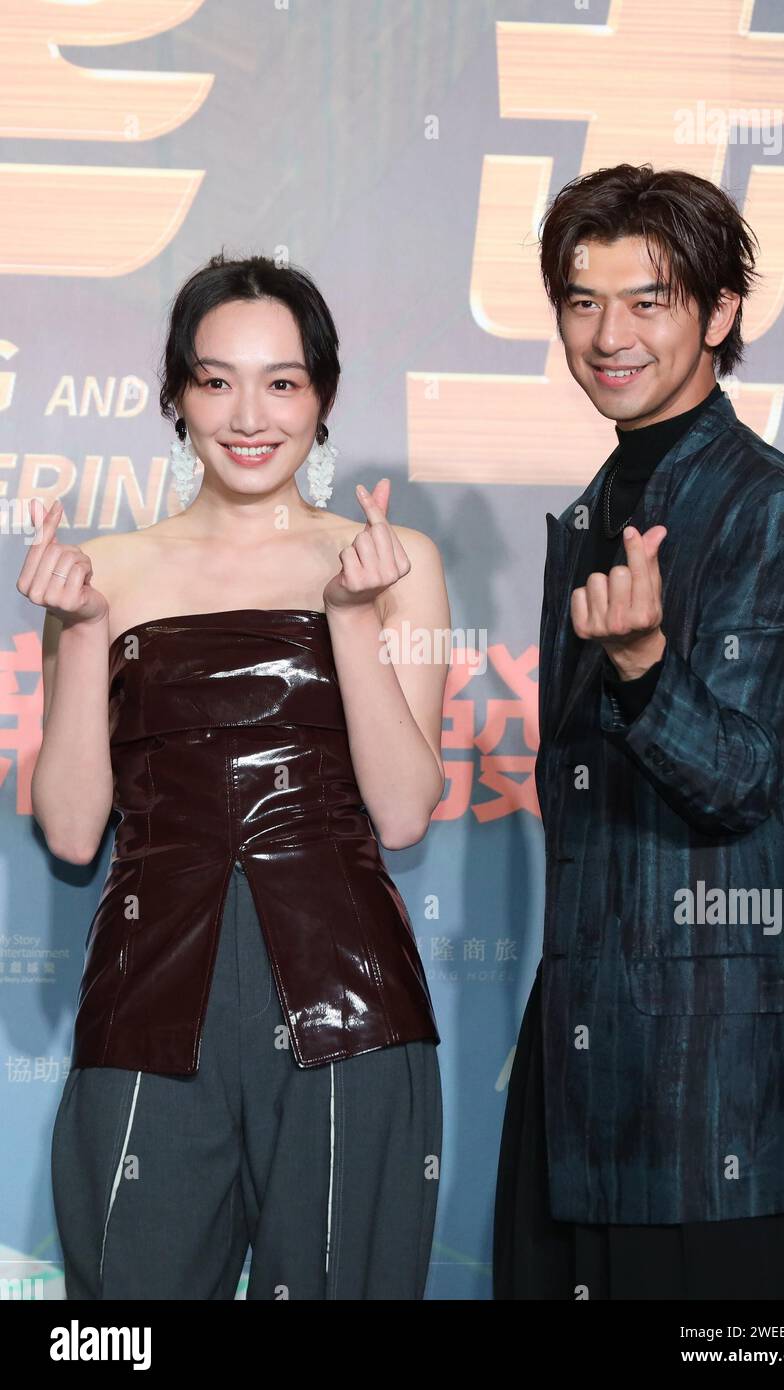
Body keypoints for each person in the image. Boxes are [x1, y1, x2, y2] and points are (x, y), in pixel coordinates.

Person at [23, 252, 449, 1300]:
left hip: (349, 1001)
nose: (248, 414)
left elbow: (402, 810)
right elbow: (73, 834)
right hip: (149, 996)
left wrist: (347, 619)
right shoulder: (103, 574)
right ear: (174, 395)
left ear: (323, 394)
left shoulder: (391, 562)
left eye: (282, 381)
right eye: (215, 380)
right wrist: (83, 638)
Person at [494, 164, 784, 1300]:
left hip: (720, 1099)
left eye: (647, 300)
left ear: (718, 312)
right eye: (581, 299)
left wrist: (646, 669)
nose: (608, 334)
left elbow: (746, 781)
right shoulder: (598, 504)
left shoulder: (769, 510)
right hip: (584, 1061)